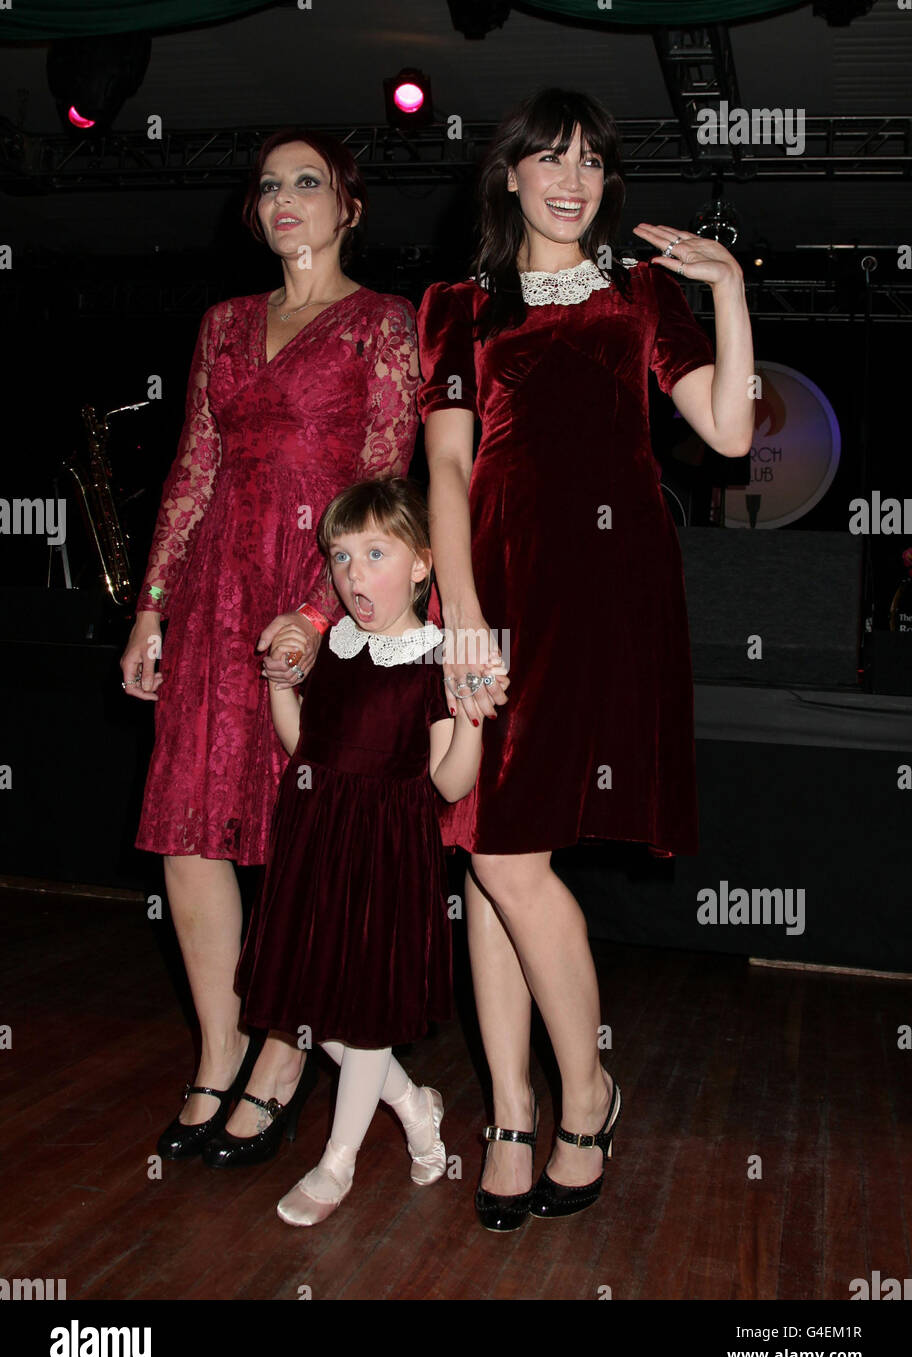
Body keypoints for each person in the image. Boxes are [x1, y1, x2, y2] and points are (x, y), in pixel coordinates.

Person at [417, 88, 755, 1230]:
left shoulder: (639, 292)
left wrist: (732, 292)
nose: (574, 178)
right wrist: (461, 611)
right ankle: (521, 1106)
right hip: (499, 587)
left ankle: (576, 1098)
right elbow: (448, 470)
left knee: (505, 854)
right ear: (507, 174)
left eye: (594, 163)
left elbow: (731, 429)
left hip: (609, 590)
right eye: (550, 158)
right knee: (491, 849)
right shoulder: (458, 304)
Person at [119, 128, 421, 1159]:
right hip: (213, 596)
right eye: (268, 186)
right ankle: (216, 1051)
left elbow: (385, 480)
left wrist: (326, 612)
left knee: (305, 837)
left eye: (308, 182)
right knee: (192, 829)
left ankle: (284, 1051)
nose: (283, 199)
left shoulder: (385, 324)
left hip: (321, 600)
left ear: (349, 205)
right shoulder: (222, 324)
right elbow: (193, 468)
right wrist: (153, 606)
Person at [226, 477, 495, 1225]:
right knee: (319, 1010)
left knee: (365, 1013)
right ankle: (414, 1102)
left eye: (374, 553)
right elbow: (300, 749)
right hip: (316, 844)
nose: (352, 574)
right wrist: (283, 686)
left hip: (386, 854)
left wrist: (471, 713)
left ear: (421, 564)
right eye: (340, 557)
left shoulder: (434, 658)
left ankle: (336, 1162)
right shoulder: (333, 648)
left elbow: (448, 783)